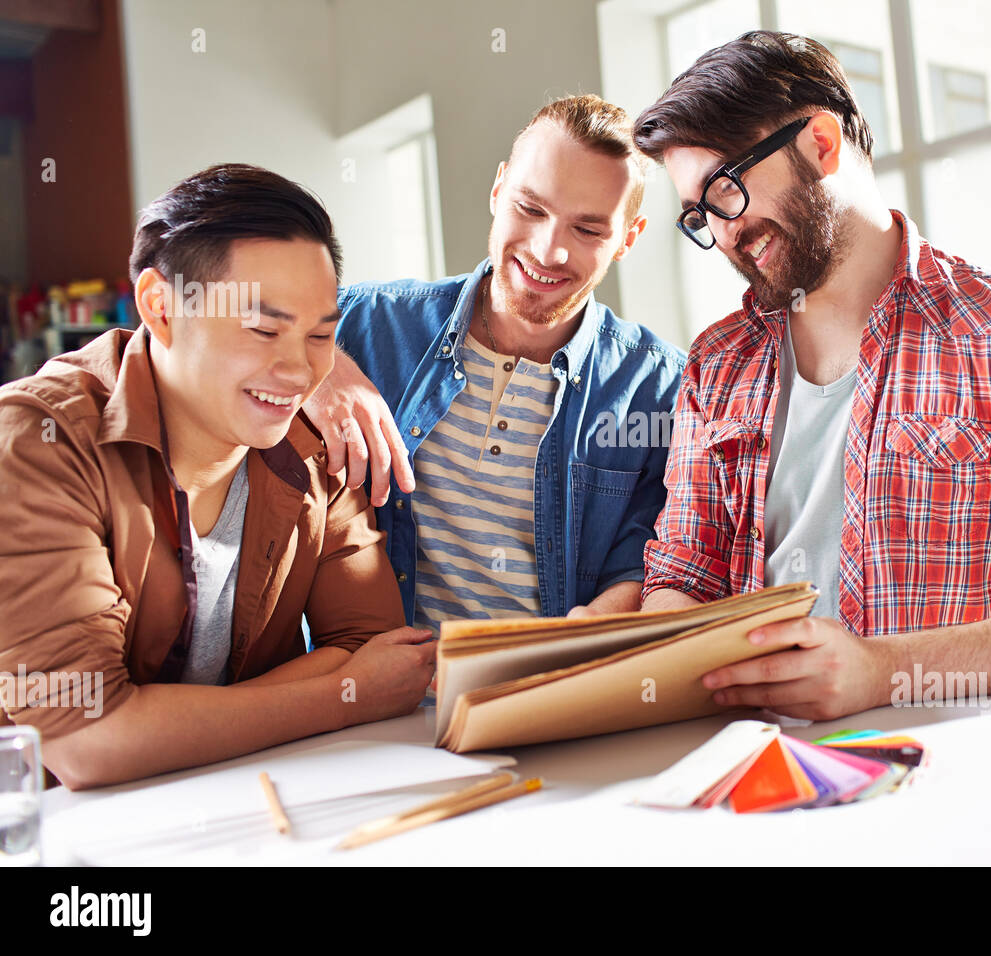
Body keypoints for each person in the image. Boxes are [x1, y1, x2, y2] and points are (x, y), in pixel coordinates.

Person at [632, 31, 991, 720]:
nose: (724, 233)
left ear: (820, 144)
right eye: (699, 215)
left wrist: (883, 672)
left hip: (948, 774)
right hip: (757, 772)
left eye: (726, 191)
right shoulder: (717, 364)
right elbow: (683, 575)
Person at [0, 164, 435, 789]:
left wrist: (165, 725)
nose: (297, 373)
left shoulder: (313, 441)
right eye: (262, 329)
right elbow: (88, 740)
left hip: (249, 808)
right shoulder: (41, 439)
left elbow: (376, 649)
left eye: (320, 336)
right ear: (160, 307)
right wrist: (343, 693)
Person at [306, 95, 685, 634]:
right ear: (498, 188)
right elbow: (210, 314)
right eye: (530, 209)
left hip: (545, 697)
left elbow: (648, 556)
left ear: (629, 237)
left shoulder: (663, 388)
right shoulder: (366, 324)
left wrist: (586, 635)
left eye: (588, 230)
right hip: (374, 697)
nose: (548, 250)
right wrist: (316, 360)